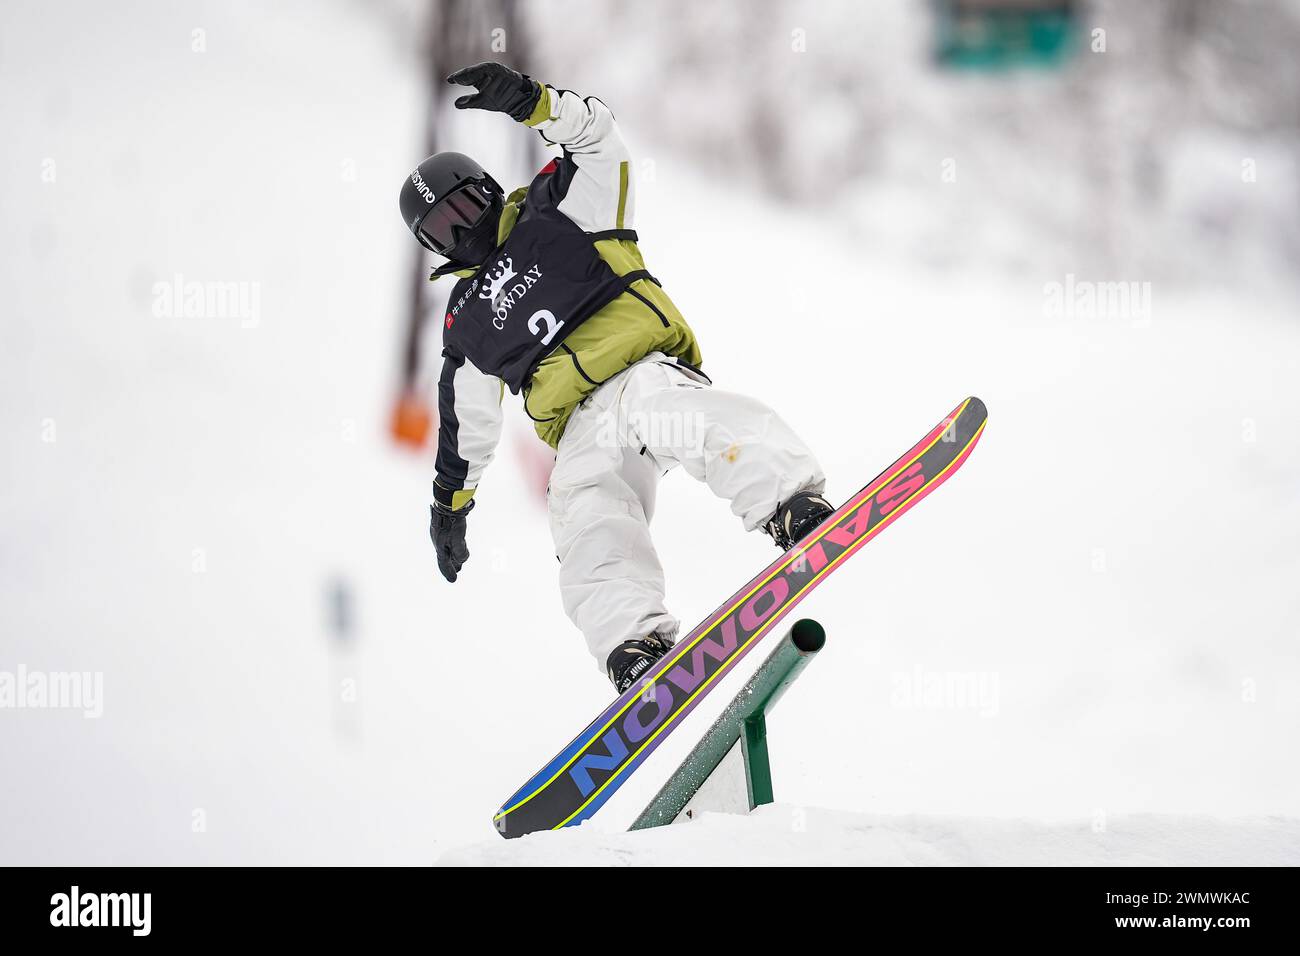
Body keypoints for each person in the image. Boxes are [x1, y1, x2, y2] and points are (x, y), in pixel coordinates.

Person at [398, 62, 831, 693]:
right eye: (441, 230)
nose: (461, 230)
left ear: (487, 189)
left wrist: (530, 102)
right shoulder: (467, 322)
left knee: (676, 414)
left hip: (638, 370)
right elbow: (466, 426)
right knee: (580, 511)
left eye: (463, 207)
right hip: (577, 427)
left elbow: (597, 138)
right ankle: (633, 641)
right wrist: (450, 506)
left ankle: (790, 502)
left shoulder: (561, 207)